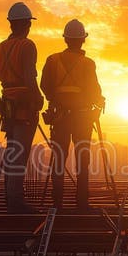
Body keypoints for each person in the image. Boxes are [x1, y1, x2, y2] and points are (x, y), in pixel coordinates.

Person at [40, 19, 104, 212]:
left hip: (60, 118)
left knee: (59, 159)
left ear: (66, 39)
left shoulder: (52, 60)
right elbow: (94, 90)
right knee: (82, 160)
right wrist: (98, 100)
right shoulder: (88, 64)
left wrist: (57, 100)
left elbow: (45, 86)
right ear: (82, 40)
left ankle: (57, 202)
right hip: (82, 119)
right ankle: (82, 203)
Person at [0, 2, 43, 213]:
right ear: (25, 25)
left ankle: (10, 197)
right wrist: (37, 97)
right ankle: (16, 201)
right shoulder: (27, 45)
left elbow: (2, 76)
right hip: (23, 106)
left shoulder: (0, 48)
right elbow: (29, 75)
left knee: (12, 152)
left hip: (8, 106)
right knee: (19, 154)